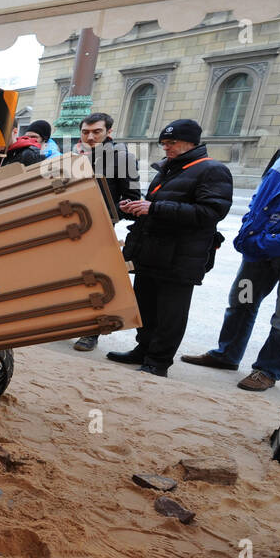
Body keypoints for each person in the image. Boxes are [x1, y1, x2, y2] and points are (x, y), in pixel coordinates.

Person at [107, 119, 232, 377]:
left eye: (171, 143)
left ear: (191, 142)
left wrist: (153, 208)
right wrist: (137, 208)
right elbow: (157, 206)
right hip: (152, 251)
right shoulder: (170, 168)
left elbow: (211, 212)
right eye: (164, 143)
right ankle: (143, 350)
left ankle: (159, 361)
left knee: (170, 312)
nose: (166, 148)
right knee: (146, 305)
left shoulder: (212, 170)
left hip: (181, 256)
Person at [179, 134, 280, 390]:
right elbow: (264, 189)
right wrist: (250, 225)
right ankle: (227, 354)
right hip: (261, 245)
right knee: (242, 300)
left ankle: (267, 370)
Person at [72, 113, 142, 351]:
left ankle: (91, 333)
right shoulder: (75, 155)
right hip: (69, 227)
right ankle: (69, 324)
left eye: (96, 132)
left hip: (100, 229)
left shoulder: (122, 158)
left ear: (109, 132)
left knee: (94, 281)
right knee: (71, 278)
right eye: (85, 132)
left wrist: (109, 216)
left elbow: (132, 199)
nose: (90, 137)